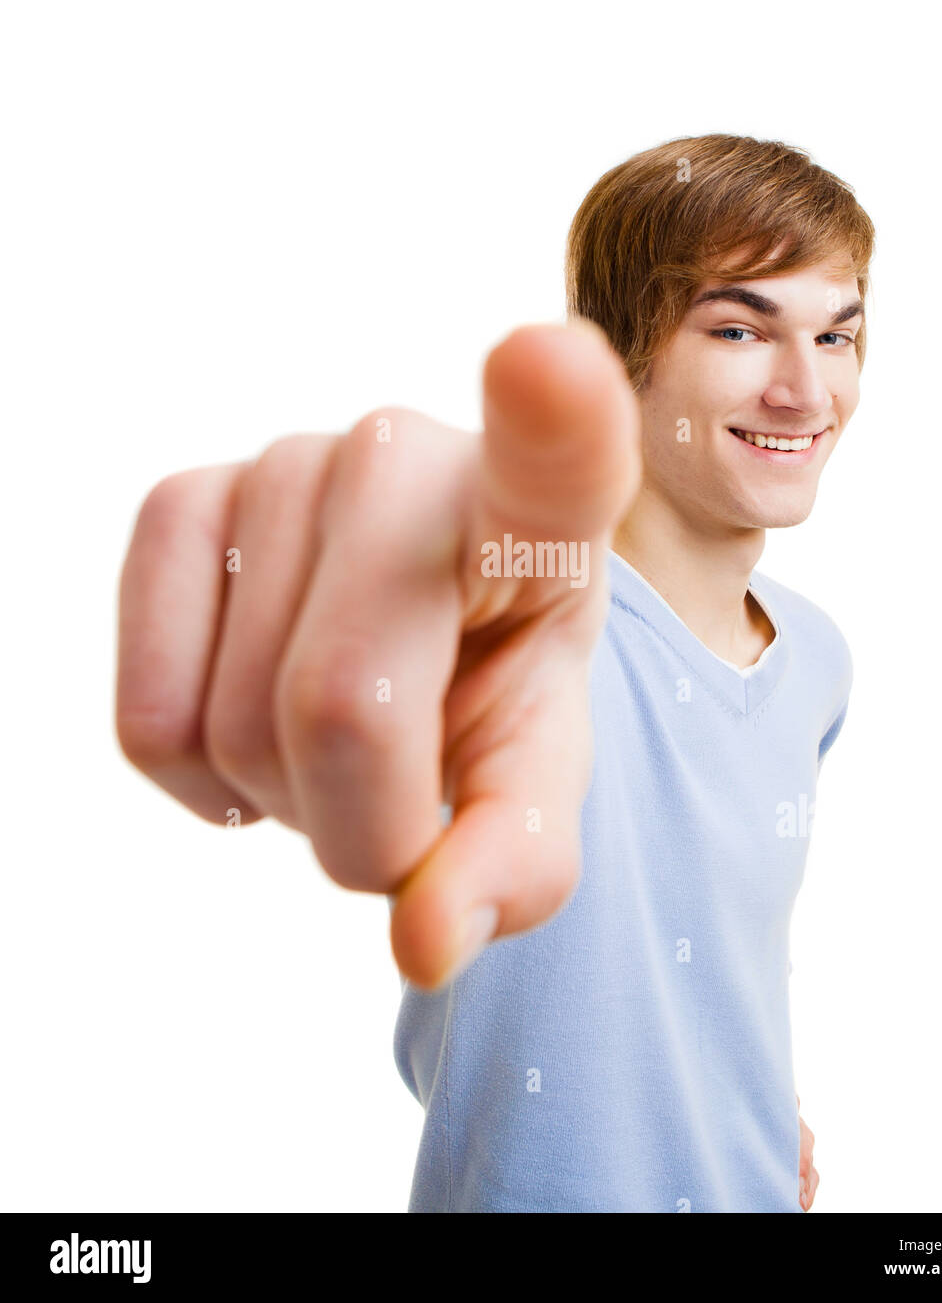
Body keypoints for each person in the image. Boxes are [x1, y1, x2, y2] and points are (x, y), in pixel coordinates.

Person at [116, 133, 875, 1213]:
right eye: (740, 328)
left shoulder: (816, 659)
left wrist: (743, 1099)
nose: (806, 388)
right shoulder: (520, 625)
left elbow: (710, 939)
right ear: (618, 355)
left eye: (836, 334)